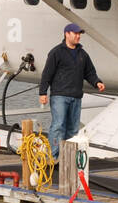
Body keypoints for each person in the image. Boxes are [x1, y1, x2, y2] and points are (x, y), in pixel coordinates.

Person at [38, 22, 105, 159]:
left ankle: (68, 157)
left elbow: (89, 72)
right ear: (66, 34)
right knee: (58, 125)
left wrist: (97, 82)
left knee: (73, 128)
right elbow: (47, 74)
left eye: (79, 33)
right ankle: (54, 157)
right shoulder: (56, 52)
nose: (78, 36)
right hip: (59, 96)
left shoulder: (83, 54)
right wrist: (43, 92)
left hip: (76, 96)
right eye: (75, 33)